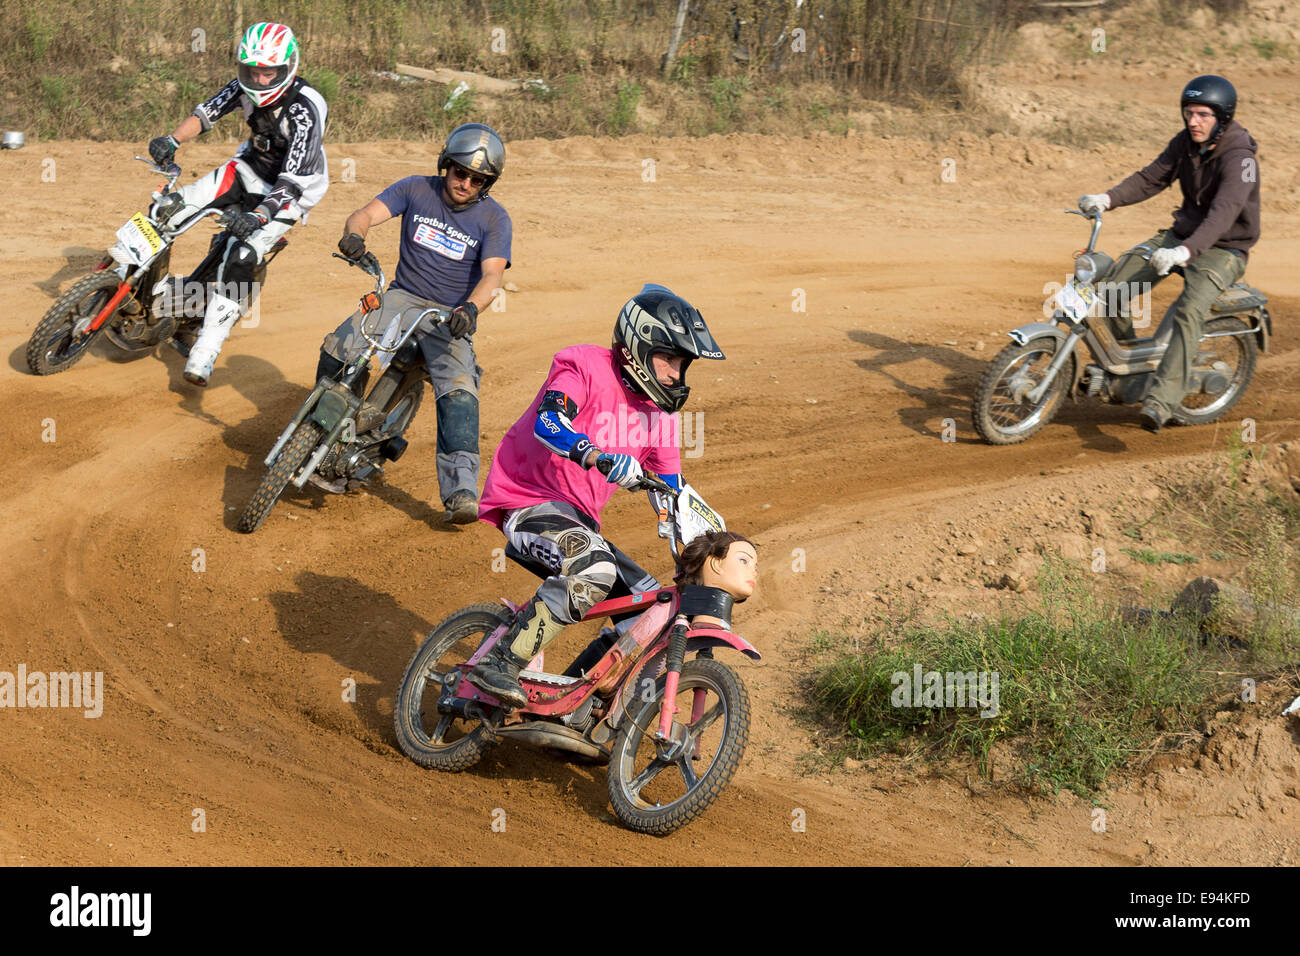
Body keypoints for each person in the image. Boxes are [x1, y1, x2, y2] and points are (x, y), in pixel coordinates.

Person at [468, 284, 726, 707]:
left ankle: (577, 703)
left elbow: (674, 493)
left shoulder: (659, 419)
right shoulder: (583, 365)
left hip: (580, 523)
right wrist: (596, 455)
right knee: (594, 568)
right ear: (639, 346)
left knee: (654, 611)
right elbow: (549, 422)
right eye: (670, 359)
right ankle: (498, 662)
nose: (676, 375)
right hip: (528, 500)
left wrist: (713, 543)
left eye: (683, 365)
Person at [317, 123, 511, 522]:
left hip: (449, 314)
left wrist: (470, 310)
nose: (466, 183)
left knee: (459, 390)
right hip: (401, 297)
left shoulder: (494, 218)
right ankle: (316, 425)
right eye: (461, 172)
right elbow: (364, 214)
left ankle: (460, 490)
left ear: (487, 184)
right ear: (446, 165)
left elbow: (492, 277)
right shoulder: (415, 188)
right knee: (341, 343)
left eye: (478, 179)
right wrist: (354, 236)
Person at [147, 21, 329, 387]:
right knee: (167, 208)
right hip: (248, 167)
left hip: (292, 191)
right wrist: (173, 139)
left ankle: (207, 346)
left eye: (269, 73)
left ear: (288, 67)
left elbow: (292, 179)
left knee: (243, 256)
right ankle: (139, 288)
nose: (260, 81)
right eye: (252, 72)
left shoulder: (306, 108)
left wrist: (259, 215)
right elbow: (207, 113)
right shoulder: (243, 87)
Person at [1077, 74, 1259, 433]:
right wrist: (1108, 198)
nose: (1194, 121)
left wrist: (1185, 252)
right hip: (1182, 236)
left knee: (1190, 312)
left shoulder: (1240, 158)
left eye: (1203, 114)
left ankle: (1162, 401)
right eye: (1189, 113)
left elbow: (1224, 214)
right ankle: (1129, 370)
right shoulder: (1186, 143)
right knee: (1114, 286)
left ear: (1221, 118)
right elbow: (1151, 178)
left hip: (1224, 249)